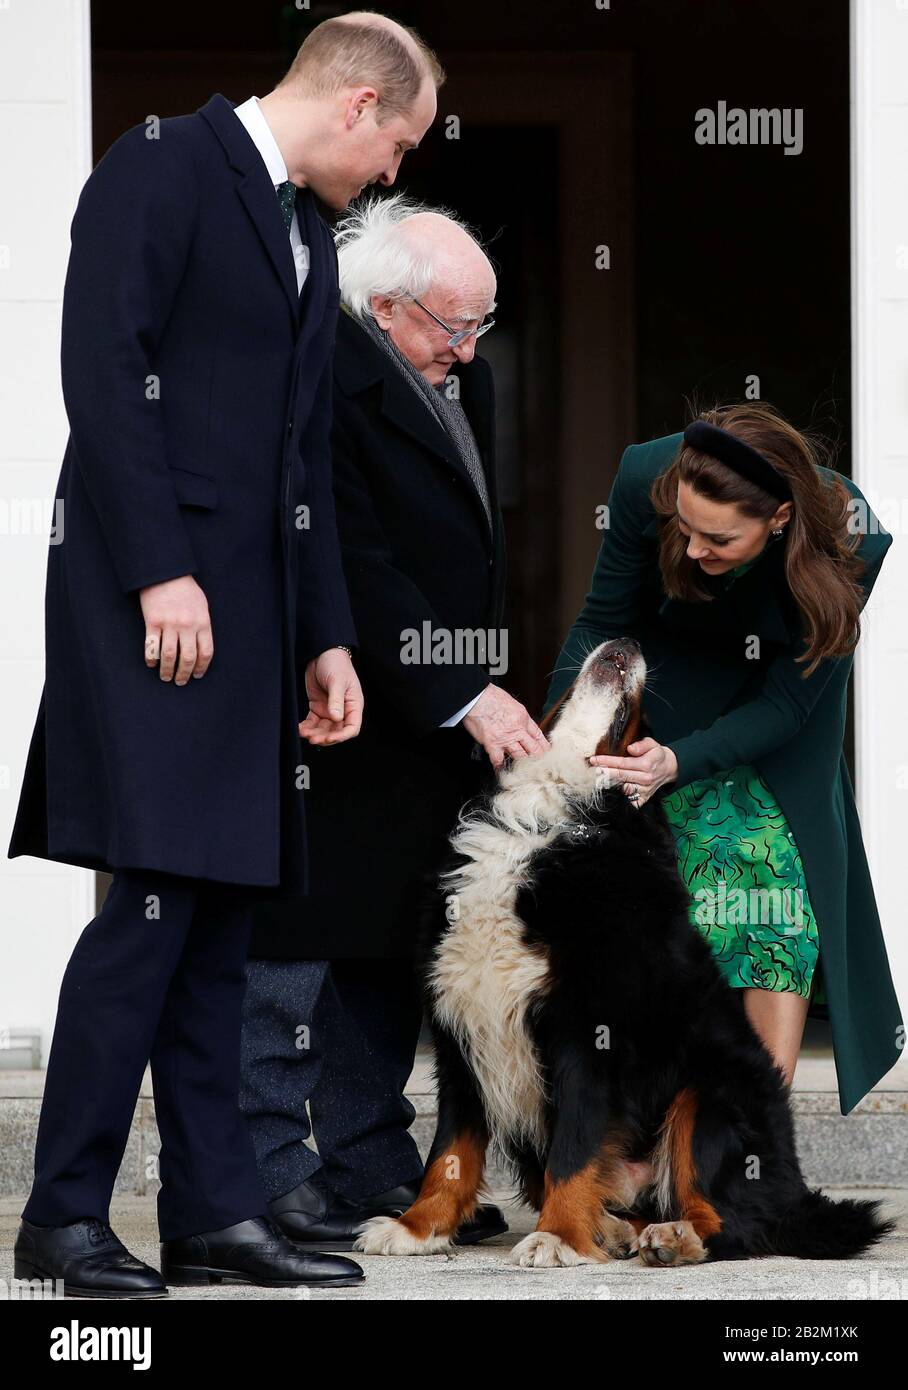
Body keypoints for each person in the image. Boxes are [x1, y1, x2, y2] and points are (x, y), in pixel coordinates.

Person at [10, 12, 441, 1297]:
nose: (395, 176)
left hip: (252, 627)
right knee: (146, 916)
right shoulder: (158, 165)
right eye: (401, 144)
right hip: (153, 606)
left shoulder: (306, 230)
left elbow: (302, 452)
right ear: (359, 105)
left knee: (217, 928)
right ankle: (64, 1217)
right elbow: (102, 368)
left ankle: (211, 1212)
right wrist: (159, 570)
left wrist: (325, 638)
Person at [241, 196, 546, 1249]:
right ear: (381, 306)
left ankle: (371, 1169)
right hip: (335, 702)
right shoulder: (321, 367)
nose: (468, 351)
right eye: (450, 326)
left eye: (481, 325)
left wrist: (466, 686)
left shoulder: (464, 372)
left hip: (423, 717)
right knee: (292, 947)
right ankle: (273, 1174)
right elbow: (350, 558)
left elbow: (465, 554)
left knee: (387, 945)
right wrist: (460, 689)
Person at [545, 403, 903, 1114]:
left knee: (772, 892)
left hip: (781, 714)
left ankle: (750, 1139)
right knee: (654, 903)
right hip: (671, 691)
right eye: (684, 526)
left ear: (778, 520)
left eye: (718, 537)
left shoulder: (849, 535)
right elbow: (604, 621)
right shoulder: (646, 472)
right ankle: (638, 1138)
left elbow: (789, 704)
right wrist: (560, 734)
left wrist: (681, 762)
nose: (694, 546)